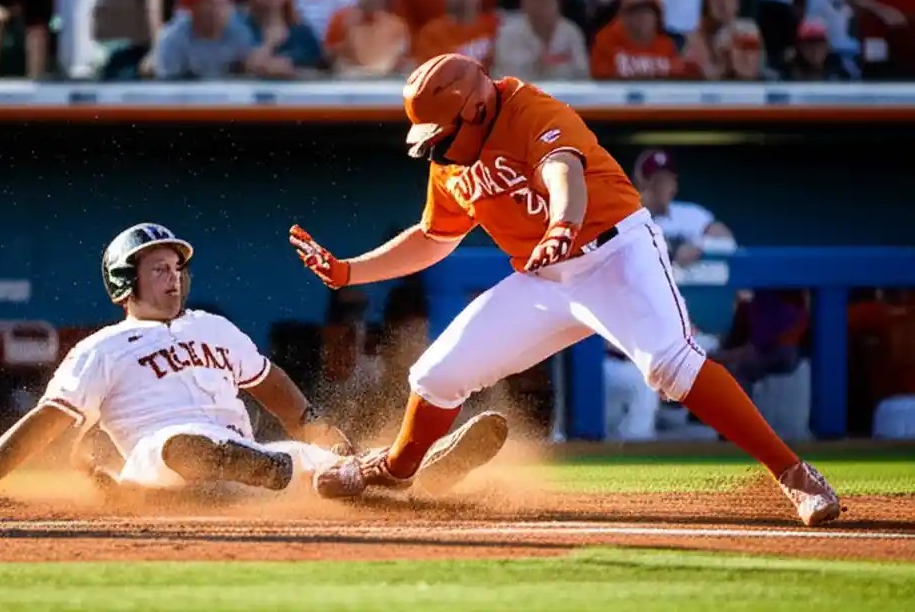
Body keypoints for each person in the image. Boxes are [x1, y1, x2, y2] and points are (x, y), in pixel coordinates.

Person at [291, 53, 840, 527]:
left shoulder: (531, 110)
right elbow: (435, 236)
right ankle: (396, 470)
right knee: (437, 376)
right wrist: (348, 272)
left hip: (614, 253)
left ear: (476, 109)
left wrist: (560, 226)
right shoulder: (452, 160)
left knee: (670, 365)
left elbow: (563, 174)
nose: (436, 151)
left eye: (442, 136)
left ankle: (796, 473)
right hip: (544, 273)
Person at [0, 223, 506, 504]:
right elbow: (49, 421)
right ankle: (245, 469)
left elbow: (266, 379)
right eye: (158, 268)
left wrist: (309, 425)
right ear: (125, 281)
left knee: (335, 475)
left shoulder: (212, 326)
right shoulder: (99, 348)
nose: (173, 275)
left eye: (177, 266)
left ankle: (425, 472)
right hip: (161, 457)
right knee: (178, 443)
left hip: (255, 455)